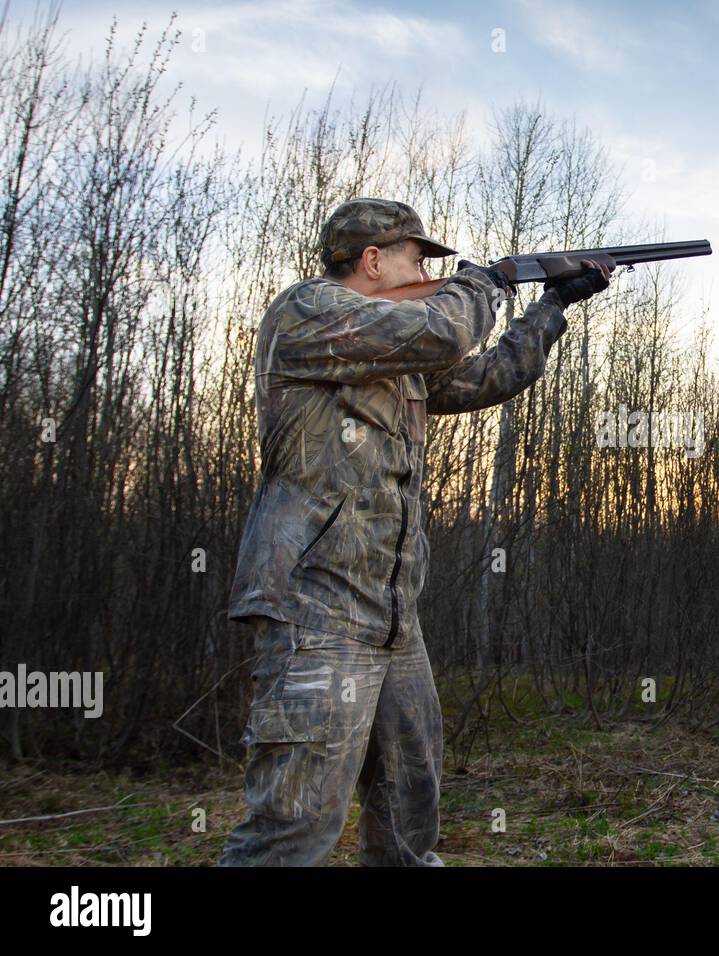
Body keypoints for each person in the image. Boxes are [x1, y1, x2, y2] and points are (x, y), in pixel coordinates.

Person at [219, 197, 611, 866]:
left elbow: (485, 375)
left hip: (393, 619)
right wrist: (486, 280)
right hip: (314, 612)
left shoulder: (393, 349)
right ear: (372, 259)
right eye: (415, 256)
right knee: (294, 827)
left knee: (410, 810)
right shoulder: (309, 312)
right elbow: (445, 332)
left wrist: (552, 307)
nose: (428, 269)